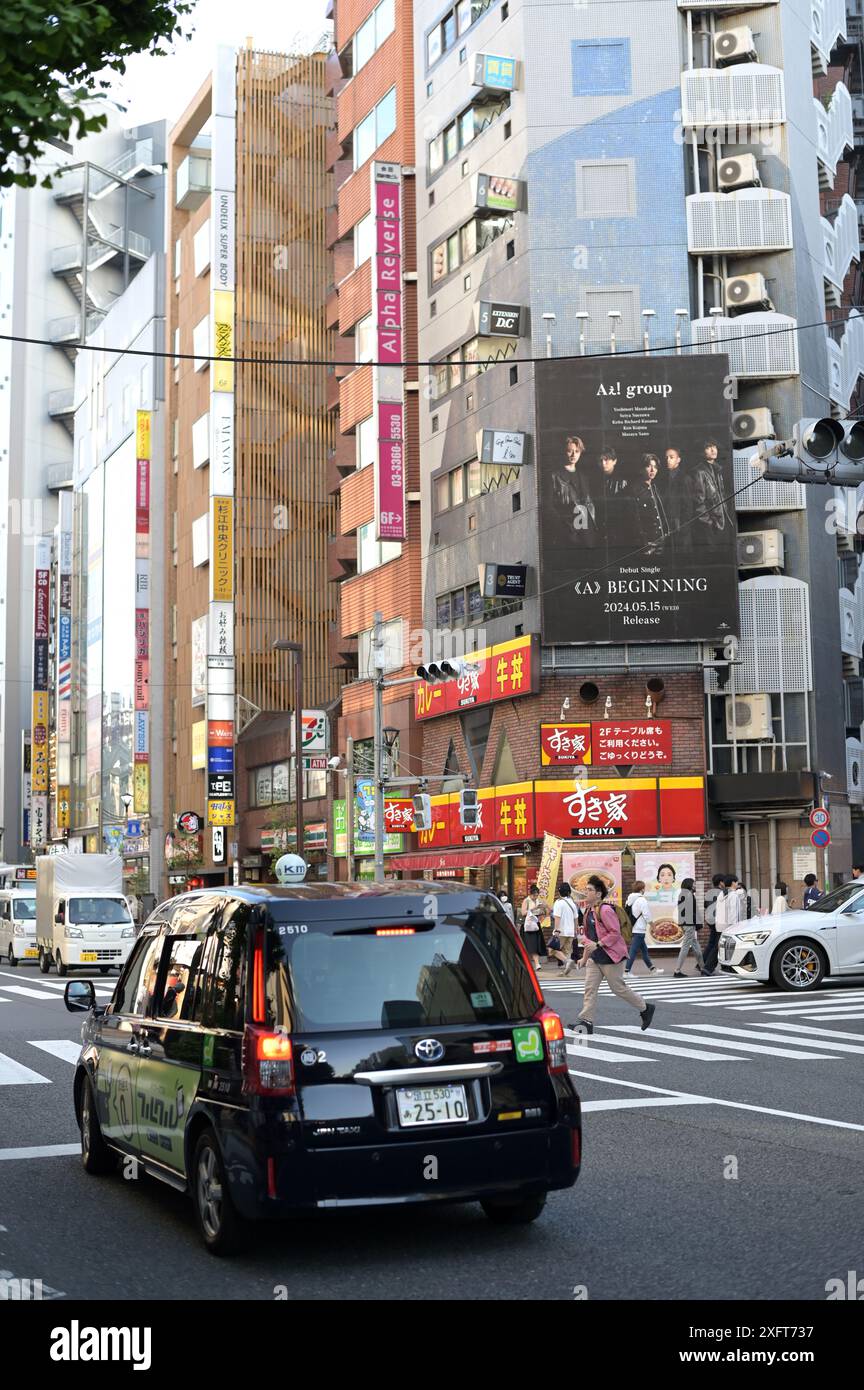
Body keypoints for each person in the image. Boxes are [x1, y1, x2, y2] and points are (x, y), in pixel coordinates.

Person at [576, 876, 656, 1034]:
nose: (586, 892)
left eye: (590, 890)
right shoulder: (588, 912)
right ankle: (587, 1021)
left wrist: (598, 944)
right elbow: (589, 939)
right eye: (586, 889)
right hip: (595, 959)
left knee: (618, 988)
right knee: (589, 989)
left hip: (611, 957)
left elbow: (615, 933)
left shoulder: (604, 910)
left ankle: (645, 1008)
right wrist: (584, 958)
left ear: (598, 894)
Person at [552, 435, 595, 534]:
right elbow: (550, 507)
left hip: (586, 530)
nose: (573, 455)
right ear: (564, 451)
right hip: (569, 531)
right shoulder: (555, 476)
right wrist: (566, 526)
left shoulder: (584, 477)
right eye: (570, 451)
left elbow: (589, 504)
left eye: (577, 451)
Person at [692, 438, 732, 539]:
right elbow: (698, 504)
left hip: (724, 522)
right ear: (701, 452)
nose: (713, 450)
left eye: (714, 447)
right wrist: (710, 524)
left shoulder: (717, 469)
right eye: (708, 447)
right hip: (712, 528)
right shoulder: (699, 472)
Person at [623, 880, 663, 976]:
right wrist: (654, 927)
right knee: (633, 951)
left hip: (633, 928)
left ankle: (653, 970)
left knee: (644, 950)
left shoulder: (629, 900)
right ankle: (626, 971)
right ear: (642, 889)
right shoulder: (642, 900)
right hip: (639, 929)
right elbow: (647, 915)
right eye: (644, 888)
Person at [631, 453, 668, 553]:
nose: (653, 470)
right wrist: (643, 542)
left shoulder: (655, 488)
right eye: (648, 466)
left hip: (661, 541)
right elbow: (635, 519)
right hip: (646, 545)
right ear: (641, 469)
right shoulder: (634, 490)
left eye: (655, 467)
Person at [673, 876, 707, 976]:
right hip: (689, 924)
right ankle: (677, 970)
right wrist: (697, 923)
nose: (695, 886)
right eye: (694, 884)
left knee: (696, 947)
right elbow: (692, 911)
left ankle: (703, 968)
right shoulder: (688, 895)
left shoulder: (684, 894)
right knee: (685, 947)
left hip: (686, 924)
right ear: (689, 885)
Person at [662, 447, 694, 548]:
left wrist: (683, 527)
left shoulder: (685, 478)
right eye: (666, 457)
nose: (668, 460)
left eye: (671, 457)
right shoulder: (662, 478)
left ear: (678, 460)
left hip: (681, 527)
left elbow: (688, 506)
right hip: (667, 526)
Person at [593, 448, 628, 535]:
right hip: (600, 526)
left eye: (606, 459)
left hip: (617, 527)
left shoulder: (622, 482)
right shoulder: (594, 481)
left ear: (614, 461)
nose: (603, 463)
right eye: (600, 460)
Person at [549, 881, 580, 976]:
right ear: (569, 892)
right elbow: (576, 919)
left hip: (561, 931)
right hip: (570, 932)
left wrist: (556, 930)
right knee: (567, 951)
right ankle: (566, 972)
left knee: (551, 950)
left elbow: (557, 917)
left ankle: (567, 962)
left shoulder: (558, 903)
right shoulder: (573, 903)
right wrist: (575, 931)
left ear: (559, 892)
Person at [702, 873, 727, 975]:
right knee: (717, 944)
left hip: (710, 920)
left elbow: (705, 905)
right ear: (721, 882)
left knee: (712, 943)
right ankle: (708, 967)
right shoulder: (722, 893)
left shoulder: (710, 892)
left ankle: (701, 963)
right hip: (718, 921)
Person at [520, 884, 548, 971]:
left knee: (535, 946)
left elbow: (545, 911)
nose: (536, 897)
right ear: (530, 894)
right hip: (527, 926)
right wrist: (534, 908)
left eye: (537, 895)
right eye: (534, 895)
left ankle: (536, 964)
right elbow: (523, 913)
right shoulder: (526, 901)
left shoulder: (538, 901)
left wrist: (544, 909)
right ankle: (532, 964)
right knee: (528, 946)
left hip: (536, 925)